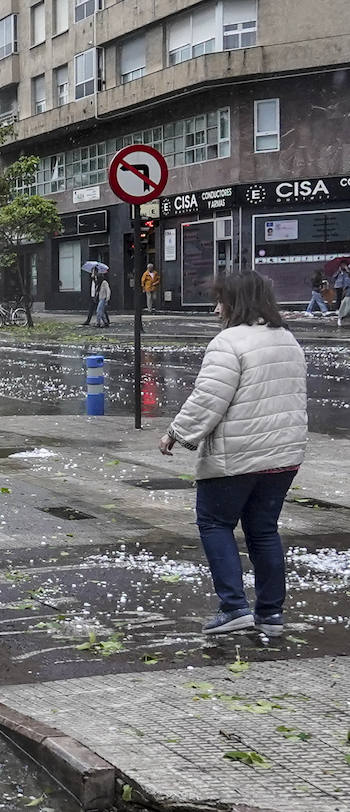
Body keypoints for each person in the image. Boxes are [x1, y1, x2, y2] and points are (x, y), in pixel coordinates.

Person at [159, 271, 306, 637]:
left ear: (236, 302)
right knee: (264, 530)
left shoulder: (229, 342)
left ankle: (234, 606)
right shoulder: (287, 339)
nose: (215, 309)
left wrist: (176, 433)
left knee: (214, 523)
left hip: (236, 456)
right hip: (283, 456)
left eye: (220, 300)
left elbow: (209, 397)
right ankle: (271, 615)